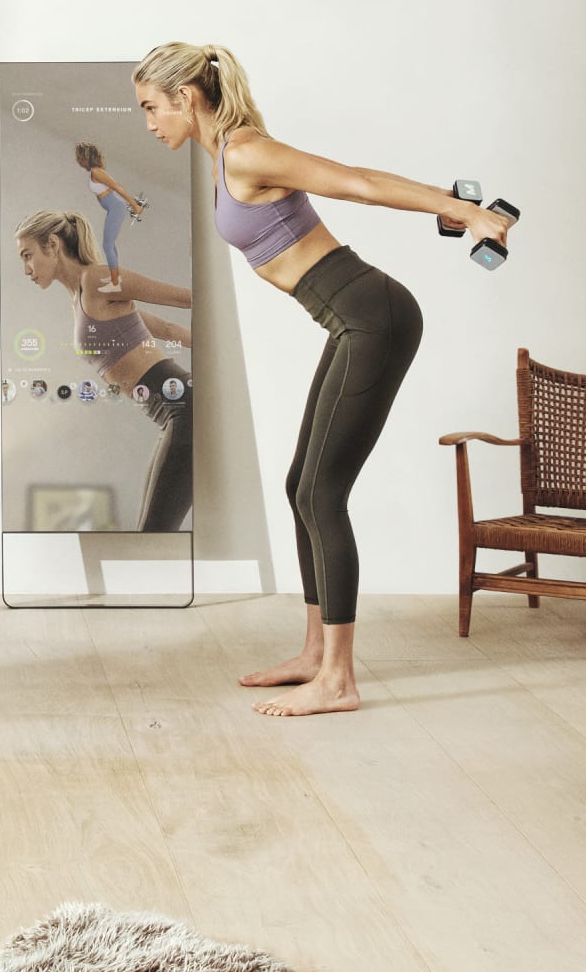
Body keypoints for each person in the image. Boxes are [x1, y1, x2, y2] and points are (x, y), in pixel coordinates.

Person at [133, 42, 512, 716]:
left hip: (375, 317)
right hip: (351, 321)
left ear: (186, 97)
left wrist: (464, 210)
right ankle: (314, 653)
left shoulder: (246, 150)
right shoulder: (223, 153)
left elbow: (357, 180)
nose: (148, 121)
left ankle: (339, 678)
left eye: (151, 107)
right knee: (299, 485)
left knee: (322, 490)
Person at [14, 210, 193, 531]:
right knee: (150, 532)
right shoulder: (80, 298)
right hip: (169, 413)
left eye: (28, 255)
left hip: (182, 408)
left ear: (52, 244)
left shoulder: (95, 279)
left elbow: (183, 298)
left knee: (153, 533)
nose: (26, 269)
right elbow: (165, 328)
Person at [73, 142, 148, 289]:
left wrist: (134, 205)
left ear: (85, 157)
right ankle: (116, 277)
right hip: (113, 208)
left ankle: (115, 283)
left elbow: (117, 187)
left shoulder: (97, 172)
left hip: (116, 208)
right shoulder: (94, 172)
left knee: (107, 245)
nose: (77, 161)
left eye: (78, 158)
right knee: (110, 245)